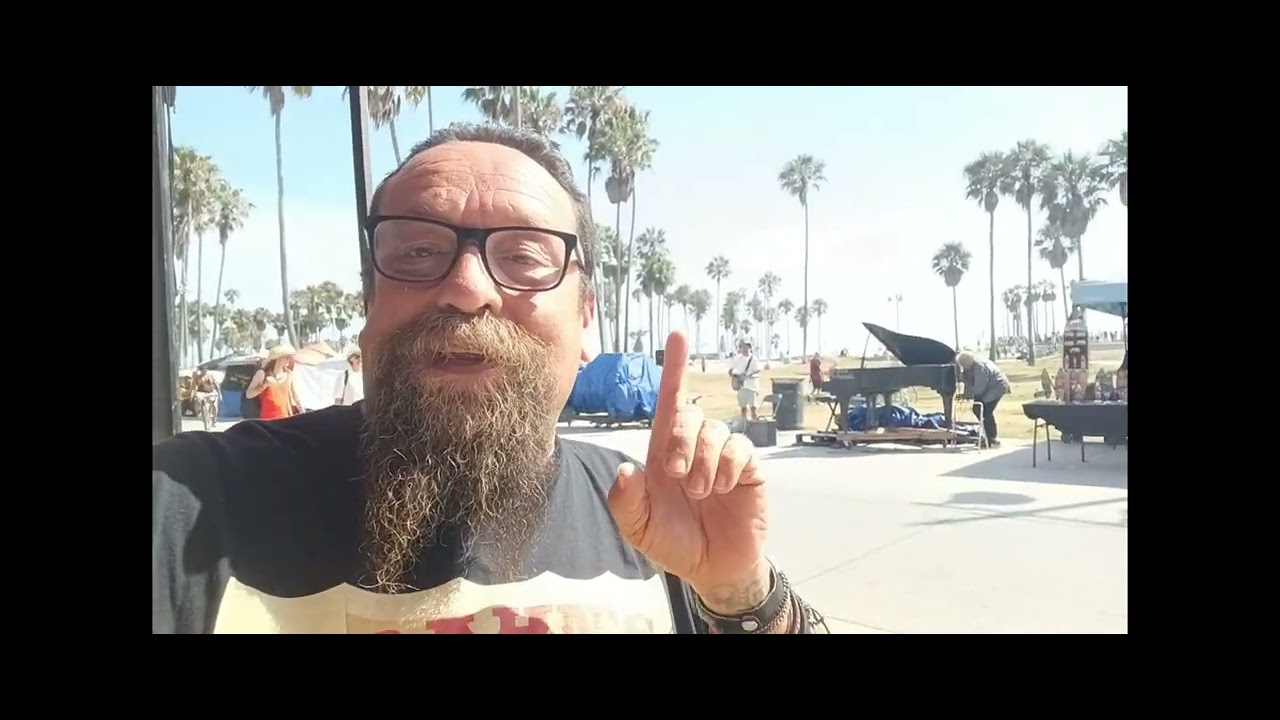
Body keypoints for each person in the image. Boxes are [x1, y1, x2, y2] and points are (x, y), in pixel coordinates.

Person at [152, 123, 825, 634]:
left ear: (586, 317)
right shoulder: (193, 506)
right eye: (417, 251)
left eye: (525, 256)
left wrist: (739, 591)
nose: (466, 288)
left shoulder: (647, 517)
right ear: (371, 301)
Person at [955, 350, 1011, 448]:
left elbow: (979, 388)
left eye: (963, 365)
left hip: (997, 386)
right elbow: (969, 383)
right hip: (989, 388)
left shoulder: (979, 367)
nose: (963, 368)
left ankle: (991, 438)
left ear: (967, 362)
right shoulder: (970, 366)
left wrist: (968, 395)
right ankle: (988, 437)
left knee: (984, 410)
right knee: (980, 410)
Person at [244, 344, 300, 421]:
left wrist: (301, 410)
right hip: (268, 420)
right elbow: (249, 394)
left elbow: (294, 395)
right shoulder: (262, 374)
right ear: (279, 358)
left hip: (286, 418)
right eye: (288, 357)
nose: (290, 360)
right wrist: (265, 385)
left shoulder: (288, 374)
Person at [728, 340, 761, 422]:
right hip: (741, 386)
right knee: (743, 407)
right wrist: (735, 377)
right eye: (743, 347)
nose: (745, 349)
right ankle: (744, 424)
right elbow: (730, 371)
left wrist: (748, 376)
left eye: (747, 347)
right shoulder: (737, 358)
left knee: (753, 407)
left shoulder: (754, 359)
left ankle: (755, 424)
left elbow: (757, 371)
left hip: (752, 386)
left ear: (750, 348)